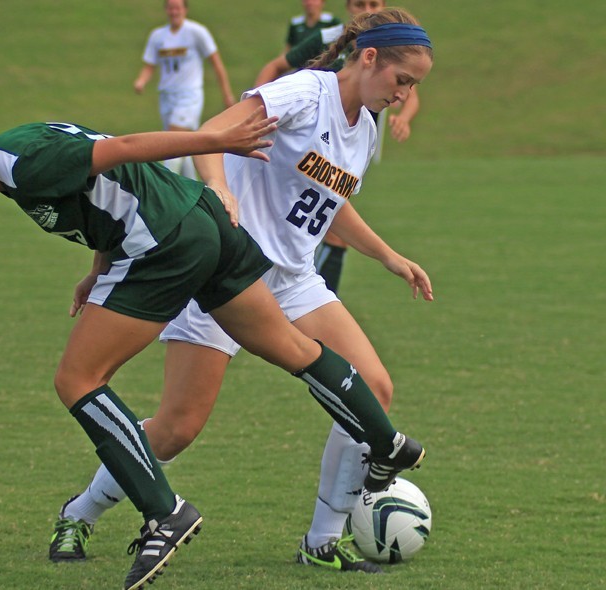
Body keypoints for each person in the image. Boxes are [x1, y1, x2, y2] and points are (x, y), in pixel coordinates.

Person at [0, 109, 425, 588]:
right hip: (199, 223)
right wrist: (98, 266)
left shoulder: (21, 163)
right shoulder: (18, 156)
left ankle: (163, 512)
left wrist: (214, 140)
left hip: (167, 244)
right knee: (290, 346)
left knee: (76, 379)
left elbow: (126, 148)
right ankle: (385, 439)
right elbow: (110, 192)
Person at [50, 8, 434, 576]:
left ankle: (323, 540)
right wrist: (219, 189)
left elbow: (327, 203)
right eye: (404, 80)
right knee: (178, 428)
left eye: (415, 87)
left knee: (372, 389)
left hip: (294, 279)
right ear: (369, 57)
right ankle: (79, 513)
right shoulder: (306, 92)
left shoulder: (366, 126)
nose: (405, 95)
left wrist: (388, 256)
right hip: (222, 272)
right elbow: (213, 135)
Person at [256, 0, 420, 294]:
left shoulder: (395, 53)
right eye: (359, 4)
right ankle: (305, 292)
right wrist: (259, 109)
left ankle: (312, 293)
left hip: (350, 149)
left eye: (374, 3)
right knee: (317, 228)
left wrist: (404, 119)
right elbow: (277, 66)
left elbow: (412, 95)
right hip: (310, 146)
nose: (367, 9)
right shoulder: (319, 69)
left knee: (330, 227)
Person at [134, 0, 236, 179]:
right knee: (184, 146)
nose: (174, 12)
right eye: (171, 8)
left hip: (189, 96)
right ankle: (193, 187)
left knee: (173, 141)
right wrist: (141, 81)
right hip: (166, 96)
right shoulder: (158, 36)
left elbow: (216, 63)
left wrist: (226, 94)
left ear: (185, 9)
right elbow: (149, 64)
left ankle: (166, 187)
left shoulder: (196, 32)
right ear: (166, 10)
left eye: (178, 8)